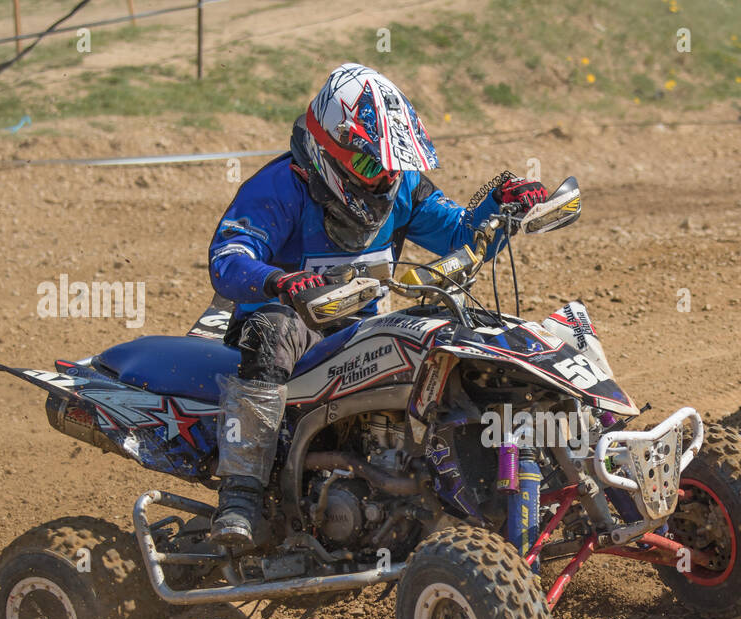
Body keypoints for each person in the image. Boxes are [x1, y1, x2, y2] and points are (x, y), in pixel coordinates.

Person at [205, 63, 548, 547]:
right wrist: (279, 281)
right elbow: (227, 257)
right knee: (274, 331)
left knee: (447, 328)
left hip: (366, 326)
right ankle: (239, 495)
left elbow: (460, 236)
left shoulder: (402, 188)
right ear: (328, 151)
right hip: (295, 326)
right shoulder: (280, 186)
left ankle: (455, 480)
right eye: (369, 165)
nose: (382, 180)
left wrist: (500, 206)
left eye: (391, 165)